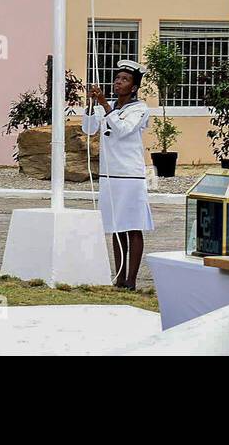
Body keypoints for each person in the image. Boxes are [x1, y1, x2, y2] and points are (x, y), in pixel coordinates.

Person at [82, 60, 154, 289]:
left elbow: (123, 130)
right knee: (116, 226)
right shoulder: (110, 106)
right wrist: (91, 104)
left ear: (133, 87)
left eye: (125, 79)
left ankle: (132, 280)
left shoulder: (139, 109)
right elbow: (89, 129)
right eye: (117, 78)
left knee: (133, 226)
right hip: (109, 175)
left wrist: (104, 104)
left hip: (130, 175)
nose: (118, 82)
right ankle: (119, 278)